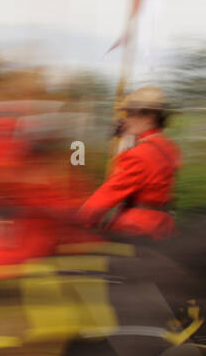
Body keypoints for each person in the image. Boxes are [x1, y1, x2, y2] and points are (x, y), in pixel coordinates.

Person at [77, 85, 180, 240]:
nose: (125, 119)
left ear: (148, 118)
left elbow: (109, 193)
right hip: (163, 227)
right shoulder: (170, 147)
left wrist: (79, 222)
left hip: (135, 230)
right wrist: (126, 138)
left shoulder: (138, 154)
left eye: (130, 113)